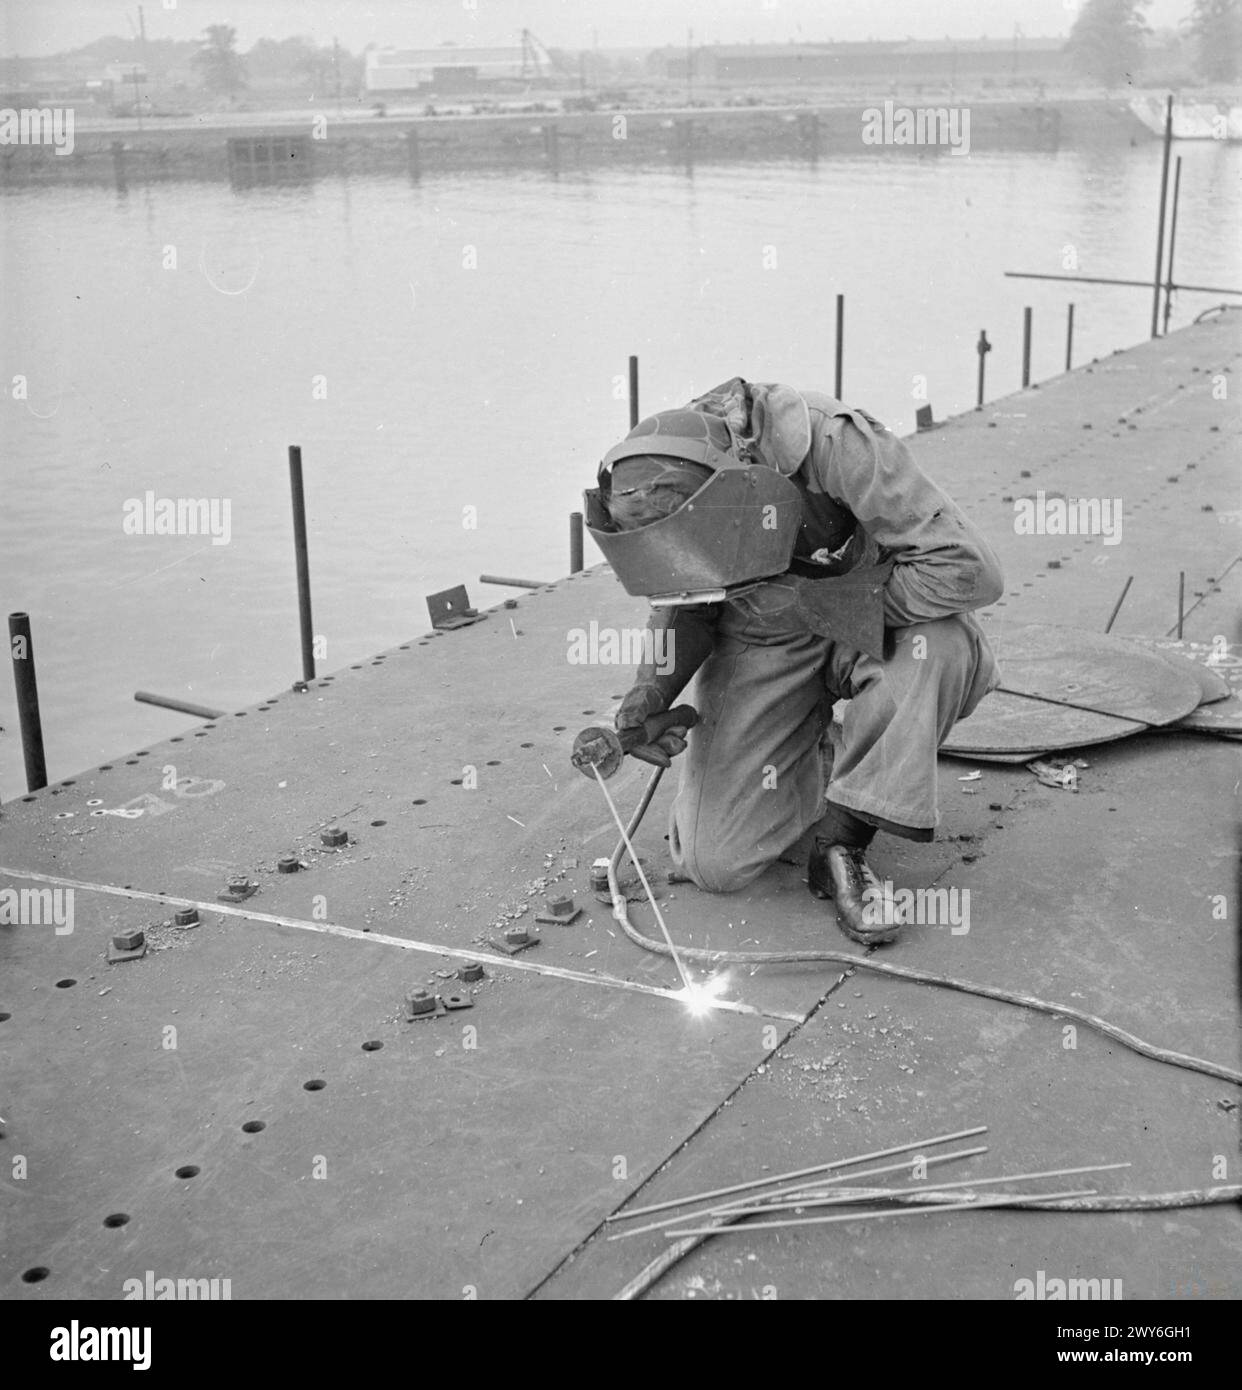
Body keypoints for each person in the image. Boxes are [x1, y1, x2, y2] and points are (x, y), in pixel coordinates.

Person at [583, 378, 1003, 945]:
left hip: (880, 617)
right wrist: (651, 693)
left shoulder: (833, 443)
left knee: (942, 648)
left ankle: (843, 841)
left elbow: (969, 571)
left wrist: (815, 603)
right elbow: (687, 601)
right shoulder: (662, 481)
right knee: (716, 863)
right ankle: (820, 753)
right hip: (765, 633)